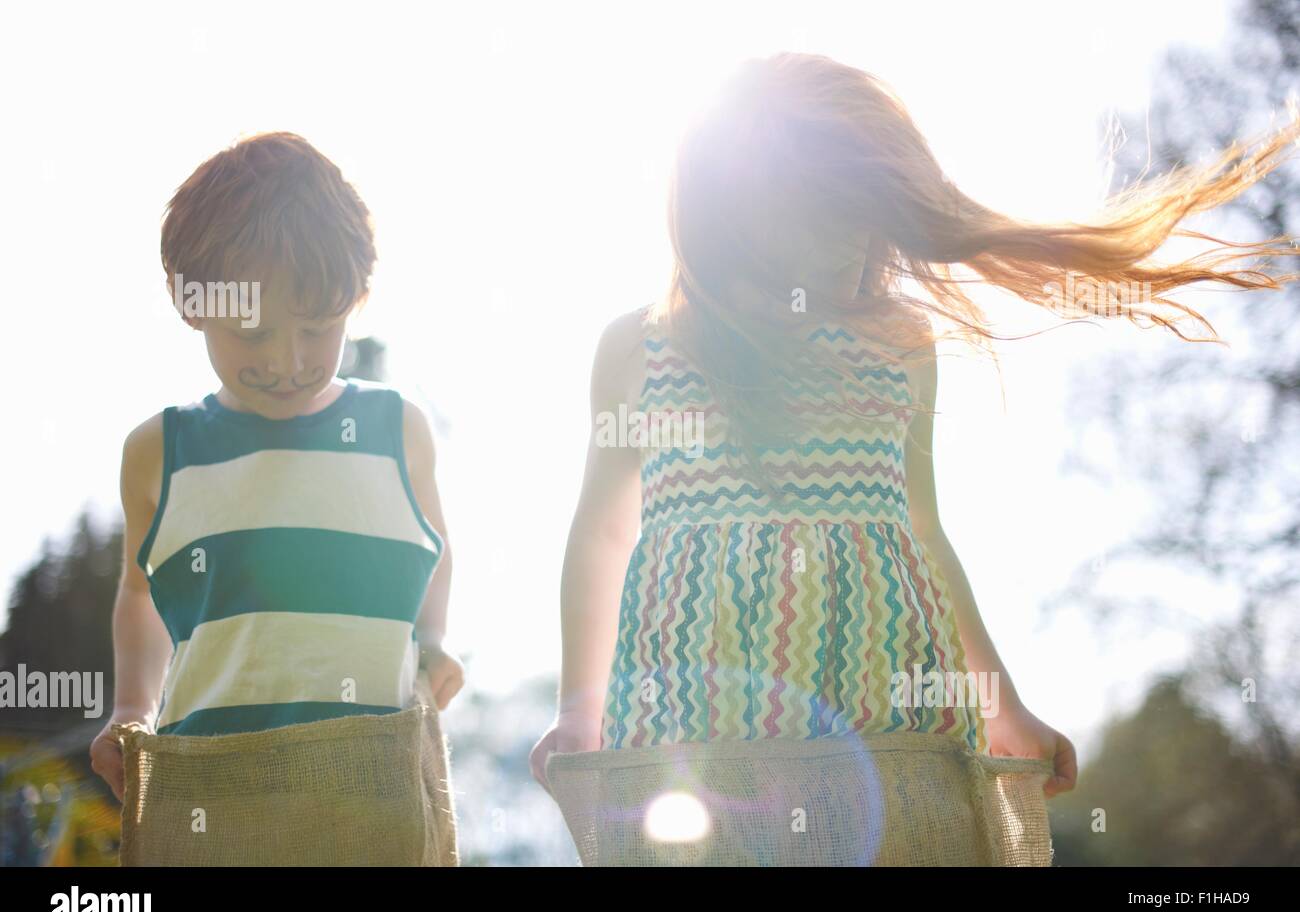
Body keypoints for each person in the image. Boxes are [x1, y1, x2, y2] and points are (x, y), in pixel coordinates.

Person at [531, 51, 1300, 811]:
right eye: (832, 216)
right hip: (698, 713)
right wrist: (578, 709)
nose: (856, 245)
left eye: (870, 223)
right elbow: (603, 531)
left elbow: (923, 532)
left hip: (880, 703)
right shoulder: (645, 345)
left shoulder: (898, 341)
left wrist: (1002, 706)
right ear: (738, 203)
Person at [90, 132, 463, 801]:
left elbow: (434, 552)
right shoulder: (158, 452)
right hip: (211, 792)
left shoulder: (396, 430)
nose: (288, 362)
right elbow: (140, 590)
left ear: (359, 298)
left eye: (317, 327)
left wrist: (433, 639)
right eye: (254, 333)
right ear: (190, 303)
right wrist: (130, 709)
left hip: (376, 798)